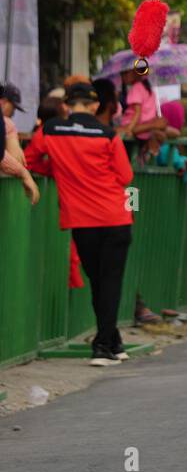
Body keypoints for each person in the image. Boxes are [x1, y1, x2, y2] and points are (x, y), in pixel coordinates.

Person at [24, 80, 134, 365]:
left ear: (65, 106)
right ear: (95, 105)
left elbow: (31, 160)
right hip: (115, 216)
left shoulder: (50, 131)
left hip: (82, 221)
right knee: (108, 282)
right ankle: (103, 345)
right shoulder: (108, 134)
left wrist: (59, 170)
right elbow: (125, 178)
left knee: (99, 282)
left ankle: (111, 341)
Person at [0, 82, 40, 204]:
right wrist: (24, 173)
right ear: (4, 102)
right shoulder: (7, 124)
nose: (13, 113)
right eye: (13, 107)